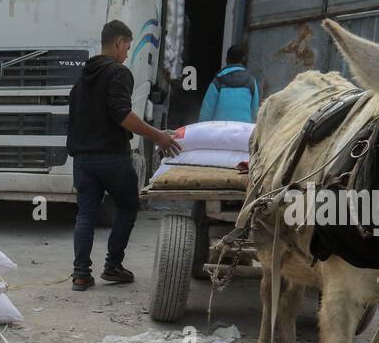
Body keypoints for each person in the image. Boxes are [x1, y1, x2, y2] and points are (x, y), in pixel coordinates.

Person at [67, 20, 180, 290]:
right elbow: (122, 115)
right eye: (127, 47)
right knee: (128, 206)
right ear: (118, 43)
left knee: (86, 215)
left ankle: (81, 274)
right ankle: (113, 265)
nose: (127, 53)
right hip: (111, 157)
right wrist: (158, 136)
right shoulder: (119, 72)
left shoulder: (83, 77)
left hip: (82, 159)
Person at [198, 45, 260, 123]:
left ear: (226, 59)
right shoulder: (251, 81)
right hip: (243, 130)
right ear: (243, 59)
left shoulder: (218, 81)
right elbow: (255, 112)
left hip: (221, 130)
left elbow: (206, 112)